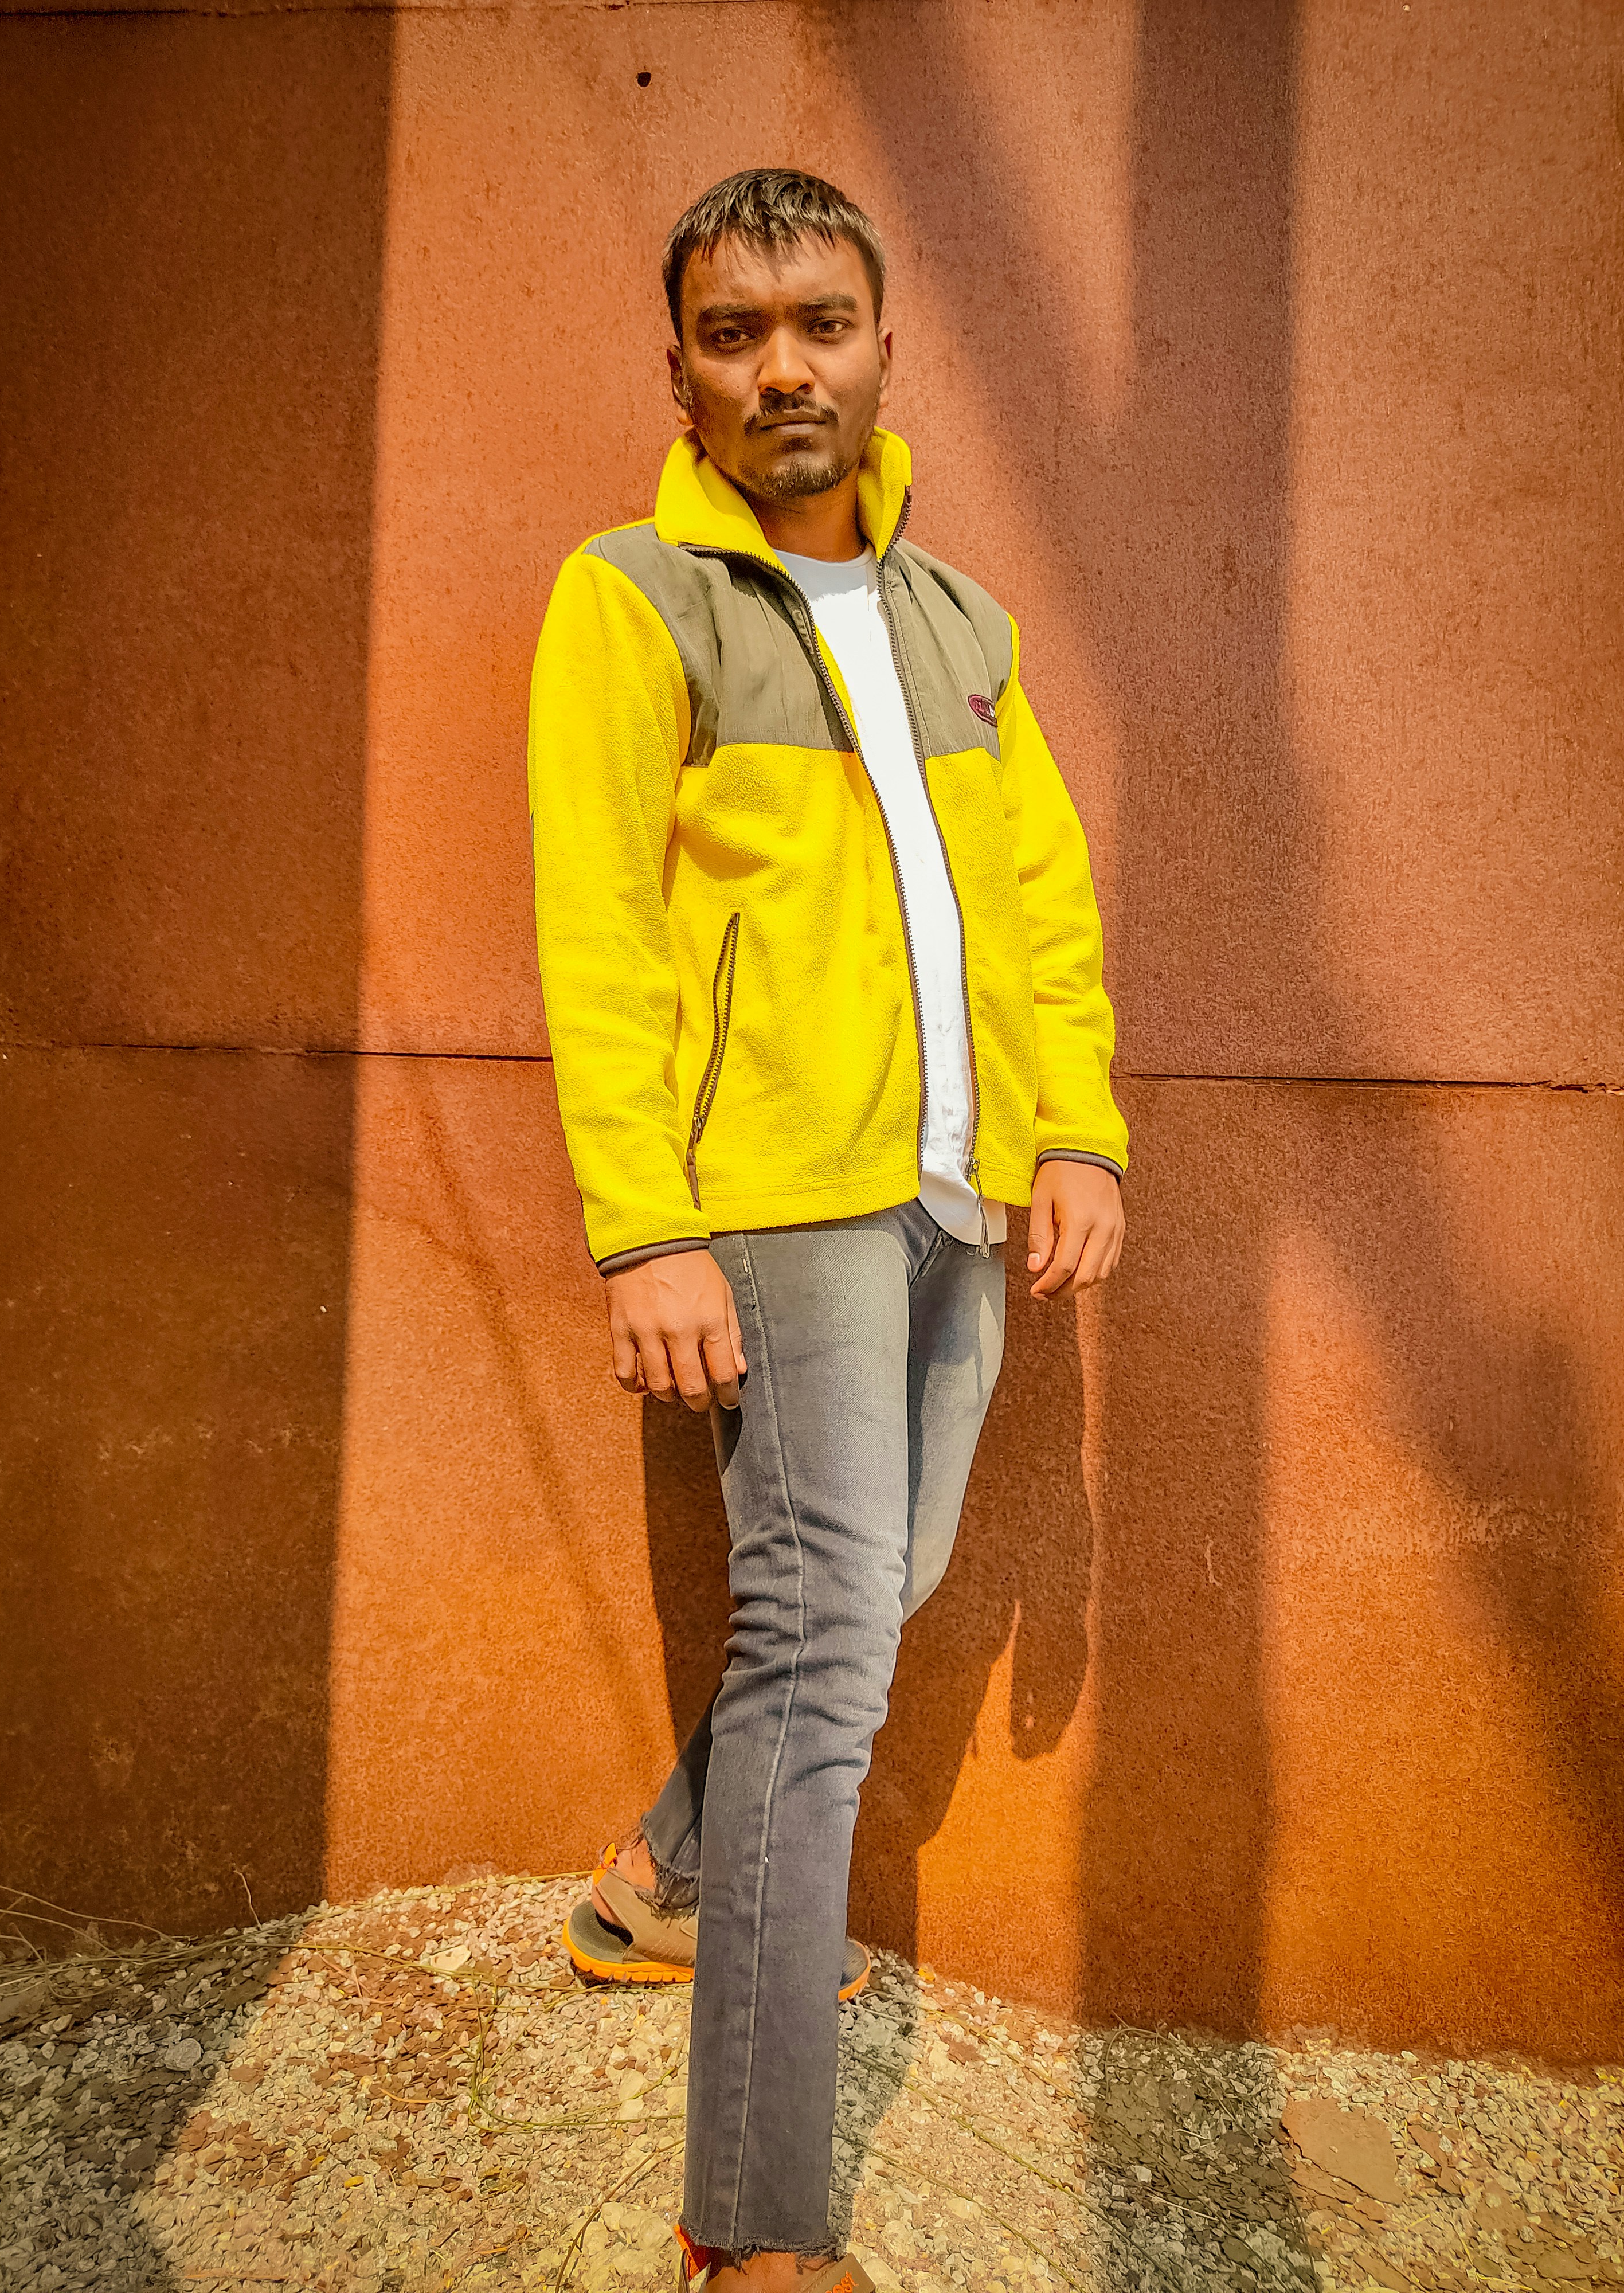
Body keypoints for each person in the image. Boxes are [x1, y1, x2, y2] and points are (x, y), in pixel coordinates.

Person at [526, 167, 1128, 2293]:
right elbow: (599, 932)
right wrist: (643, 1233)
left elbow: (1044, 899)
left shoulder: (962, 620)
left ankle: (663, 1887)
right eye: (735, 332)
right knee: (820, 1663)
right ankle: (757, 2231)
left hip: (961, 1190)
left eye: (820, 323)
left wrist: (1079, 1135)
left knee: (883, 1586)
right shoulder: (636, 600)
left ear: (885, 346)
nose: (783, 365)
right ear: (681, 368)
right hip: (777, 1202)